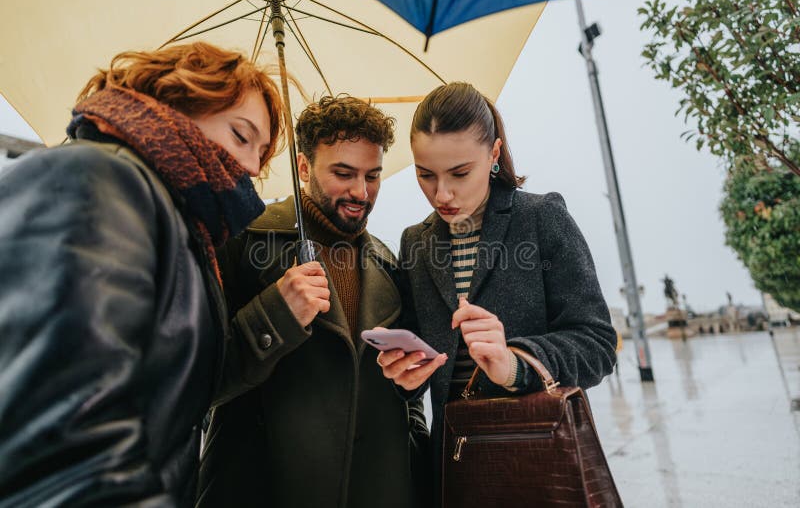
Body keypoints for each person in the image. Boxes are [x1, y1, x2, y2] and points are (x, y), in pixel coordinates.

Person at [0, 42, 284, 506]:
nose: (252, 166)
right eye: (240, 135)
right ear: (180, 100)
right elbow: (65, 439)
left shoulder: (184, 229)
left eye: (261, 152)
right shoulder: (98, 180)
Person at [375, 82, 618, 505]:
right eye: (425, 174)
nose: (442, 194)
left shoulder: (542, 218)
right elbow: (421, 370)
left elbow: (598, 346)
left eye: (459, 173)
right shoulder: (415, 241)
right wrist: (405, 378)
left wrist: (514, 363)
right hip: (454, 473)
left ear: (493, 154)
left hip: (538, 462)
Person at [196, 95, 430, 508]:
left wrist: (413, 428)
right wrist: (275, 314)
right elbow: (195, 382)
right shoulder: (241, 240)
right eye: (344, 173)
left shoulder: (390, 264)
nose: (361, 191)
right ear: (303, 168)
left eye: (372, 175)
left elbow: (406, 398)